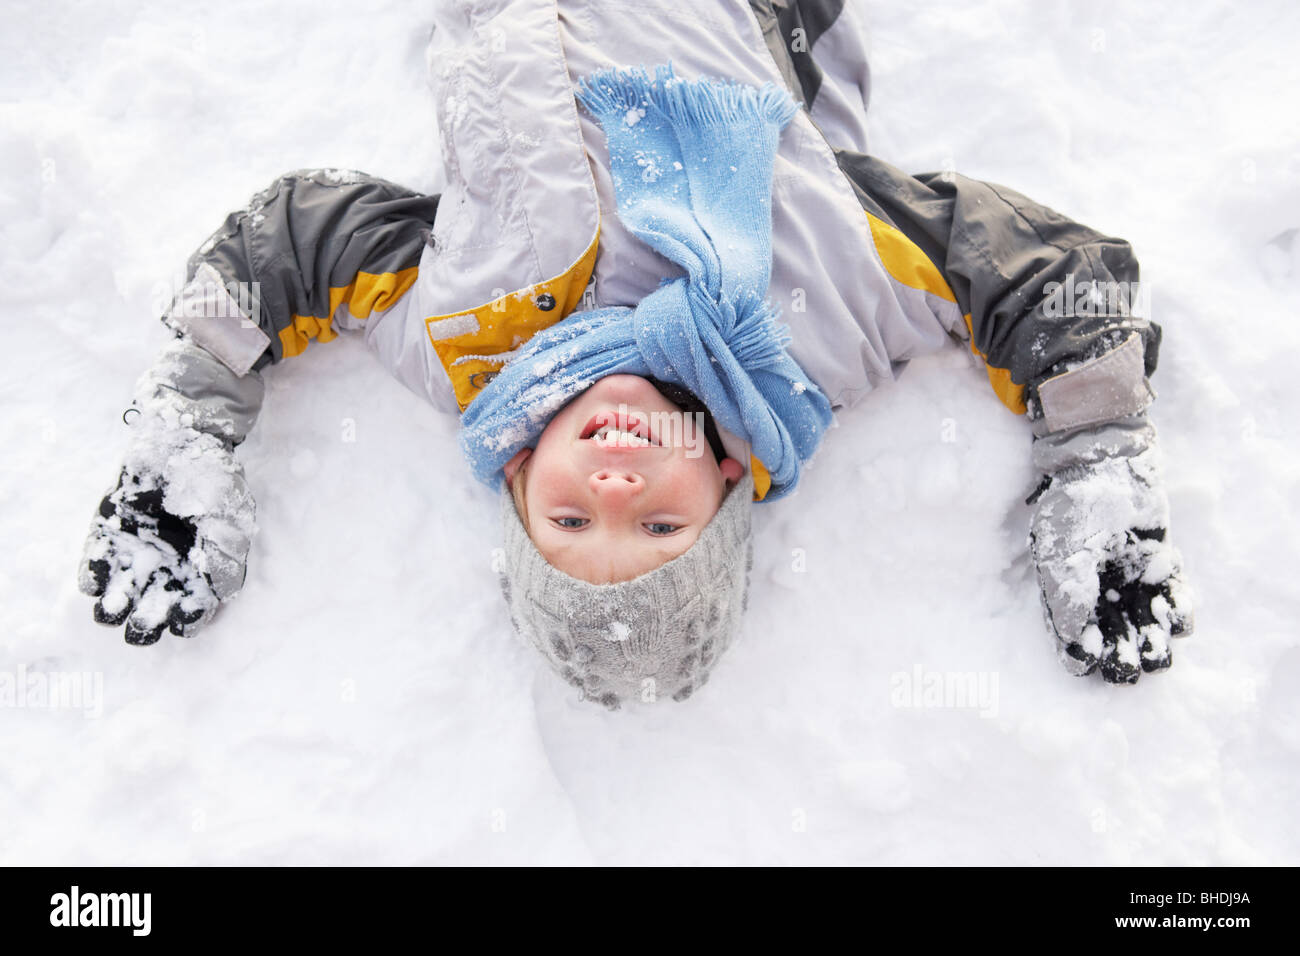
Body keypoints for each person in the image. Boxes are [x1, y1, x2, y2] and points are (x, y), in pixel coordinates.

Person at [77, 0, 1194, 709]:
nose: (613, 487)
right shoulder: (828, 316)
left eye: (572, 521)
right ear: (722, 480)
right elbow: (1051, 269)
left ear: (519, 478)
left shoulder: (457, 337)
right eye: (657, 526)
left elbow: (284, 240)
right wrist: (1099, 456)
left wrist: (188, 425)